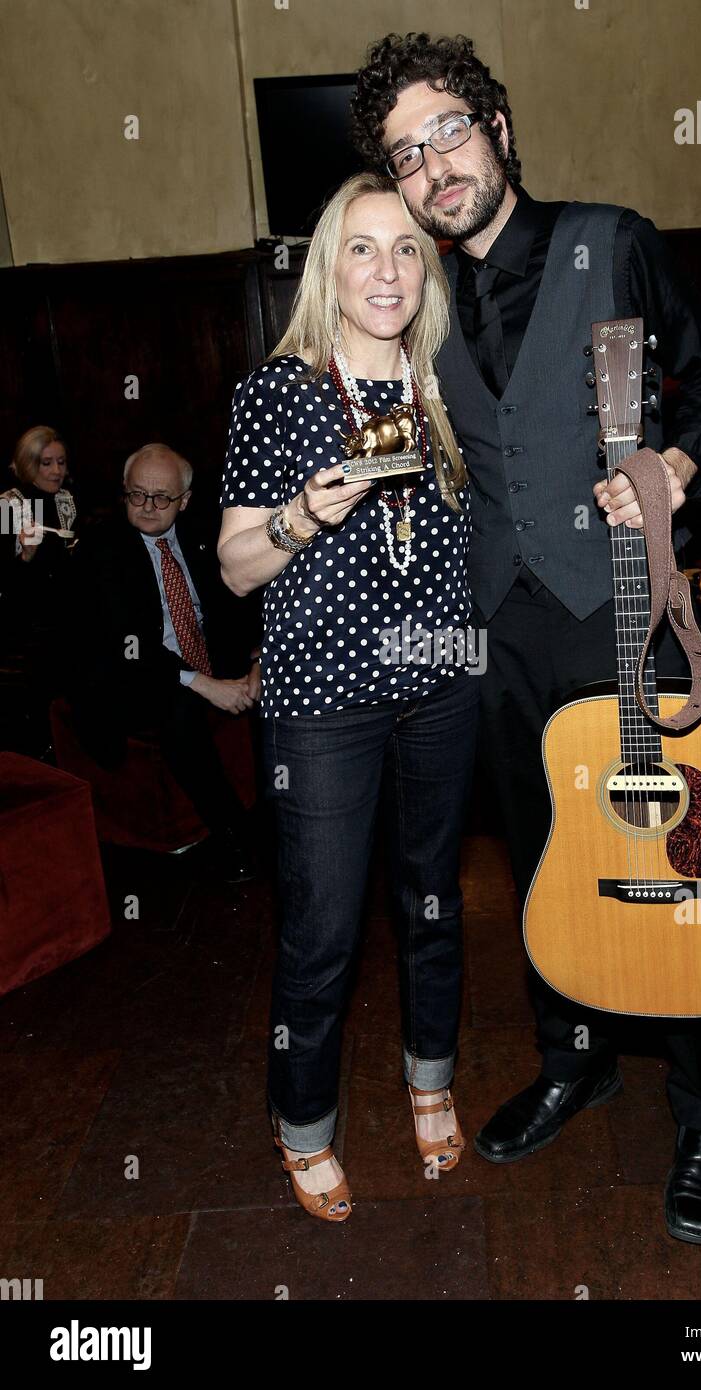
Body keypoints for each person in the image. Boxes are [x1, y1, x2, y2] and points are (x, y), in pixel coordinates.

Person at [351, 32, 701, 1245]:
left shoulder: (608, 240)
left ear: (500, 129)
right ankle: (575, 1056)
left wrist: (678, 460)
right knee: (542, 862)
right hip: (496, 632)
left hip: (613, 613)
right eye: (403, 154)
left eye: (448, 132)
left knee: (675, 859)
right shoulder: (414, 292)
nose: (431, 167)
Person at [218, 170, 479, 1224]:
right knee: (323, 928)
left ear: (428, 270)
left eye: (406, 248)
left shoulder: (447, 385)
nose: (386, 270)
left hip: (440, 687)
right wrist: (297, 519)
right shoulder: (277, 392)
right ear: (328, 266)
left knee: (432, 905)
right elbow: (235, 568)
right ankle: (304, 1120)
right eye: (362, 248)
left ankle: (430, 1080)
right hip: (323, 702)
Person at [70, 443, 260, 881]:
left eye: (161, 498)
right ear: (124, 492)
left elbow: (237, 605)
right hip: (125, 676)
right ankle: (233, 835)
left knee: (278, 685)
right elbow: (126, 644)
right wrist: (203, 682)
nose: (148, 507)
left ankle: (281, 809)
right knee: (181, 707)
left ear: (185, 500)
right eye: (137, 495)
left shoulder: (203, 534)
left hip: (200, 658)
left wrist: (259, 658)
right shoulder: (102, 549)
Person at [0, 426, 80, 753]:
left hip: (63, 611)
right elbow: (4, 572)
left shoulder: (66, 500)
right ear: (28, 464)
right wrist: (24, 553)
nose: (57, 471)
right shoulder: (8, 504)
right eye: (47, 463)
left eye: (61, 462)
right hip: (23, 617)